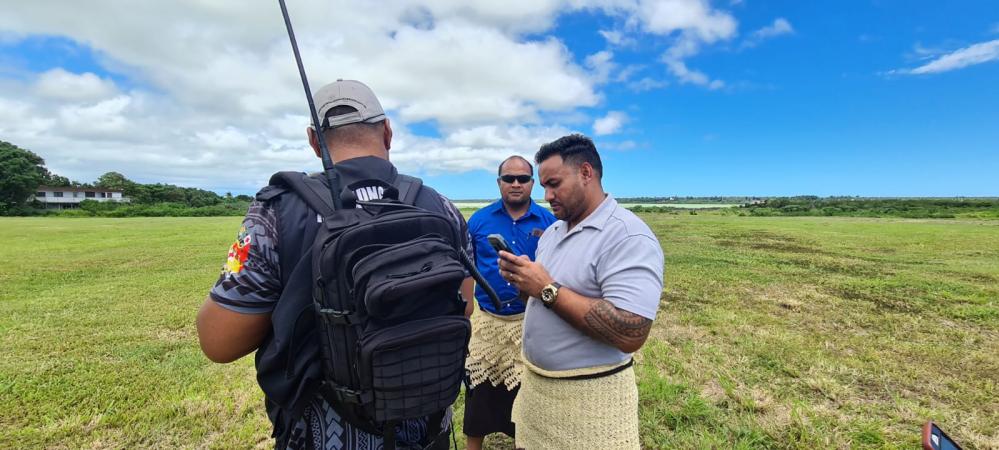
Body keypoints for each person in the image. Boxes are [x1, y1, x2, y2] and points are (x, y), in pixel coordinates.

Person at [196, 79, 474, 450]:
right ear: (388, 132)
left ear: (314, 141)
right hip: (426, 429)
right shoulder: (440, 206)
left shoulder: (277, 211)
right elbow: (464, 306)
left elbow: (219, 342)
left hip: (323, 435)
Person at [497, 134, 664, 450]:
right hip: (538, 399)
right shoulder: (553, 232)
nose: (547, 195)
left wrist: (546, 288)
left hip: (592, 406)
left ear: (587, 173)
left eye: (554, 184)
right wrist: (525, 284)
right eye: (544, 186)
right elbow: (542, 300)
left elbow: (631, 332)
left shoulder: (627, 237)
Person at [463, 155, 556, 449]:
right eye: (509, 178)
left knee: (528, 396)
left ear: (532, 183)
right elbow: (467, 266)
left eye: (523, 179)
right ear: (499, 182)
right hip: (488, 324)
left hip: (530, 321)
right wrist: (464, 311)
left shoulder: (549, 222)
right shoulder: (479, 220)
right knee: (478, 393)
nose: (515, 184)